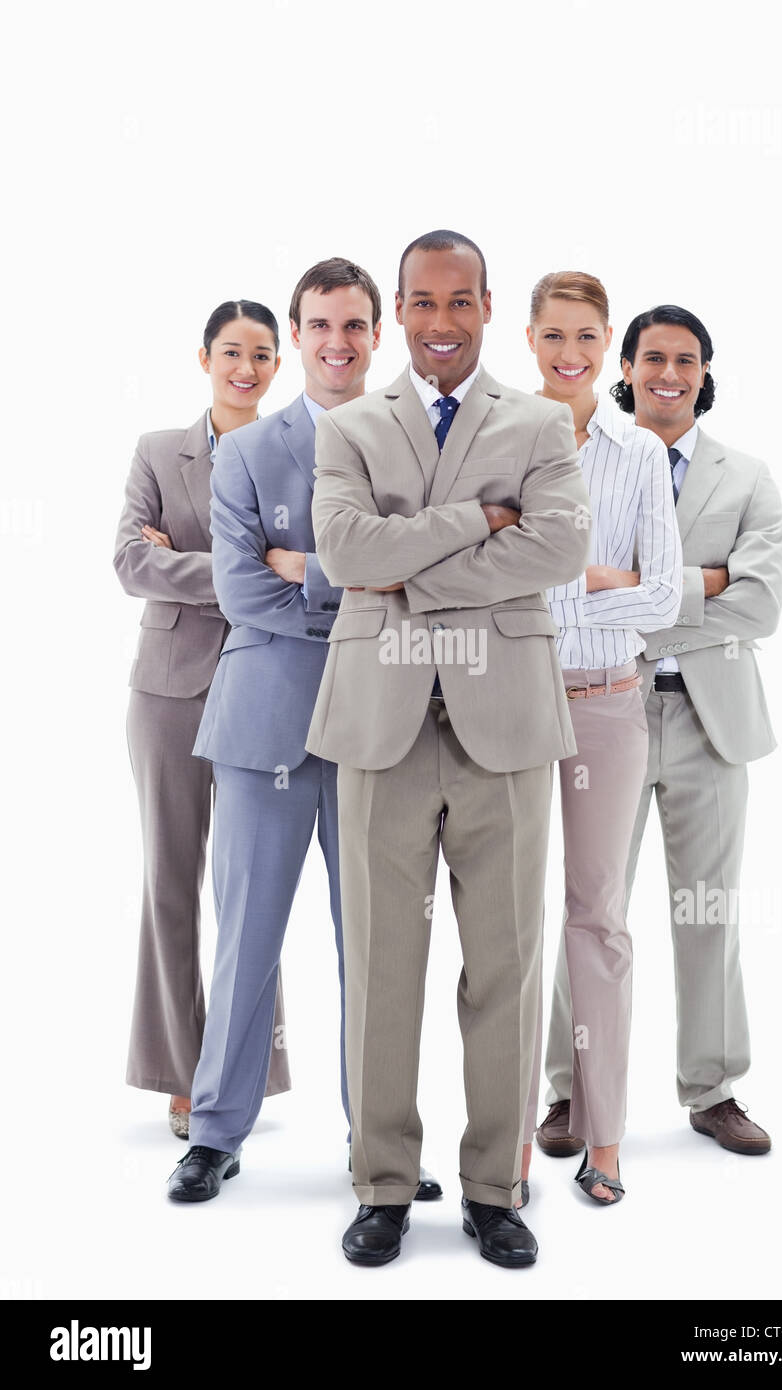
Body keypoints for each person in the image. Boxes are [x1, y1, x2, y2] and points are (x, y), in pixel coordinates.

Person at [306, 229, 592, 1267]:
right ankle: (381, 1183)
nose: (438, 322)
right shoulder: (351, 424)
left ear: (483, 306)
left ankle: (492, 1186)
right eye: (419, 303)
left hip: (505, 724)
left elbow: (557, 546)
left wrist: (408, 567)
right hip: (378, 724)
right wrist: (477, 520)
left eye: (457, 301)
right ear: (398, 309)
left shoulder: (537, 423)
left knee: (505, 965)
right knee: (382, 965)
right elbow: (342, 549)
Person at [167, 259, 442, 1205]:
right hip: (264, 728)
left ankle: (382, 1146)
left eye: (356, 325)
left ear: (380, 334)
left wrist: (312, 571)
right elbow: (240, 589)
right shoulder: (244, 454)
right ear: (297, 334)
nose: (338, 342)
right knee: (247, 935)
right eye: (320, 325)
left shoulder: (414, 447)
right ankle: (214, 1132)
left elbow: (433, 576)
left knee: (377, 946)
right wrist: (361, 579)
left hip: (384, 726)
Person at [537, 304, 782, 1160]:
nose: (668, 374)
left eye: (685, 360)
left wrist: (639, 587)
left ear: (705, 372)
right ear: (628, 368)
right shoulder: (586, 460)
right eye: (652, 359)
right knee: (589, 908)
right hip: (603, 706)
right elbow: (557, 584)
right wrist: (696, 586)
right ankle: (570, 1094)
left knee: (706, 910)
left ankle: (712, 1089)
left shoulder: (747, 477)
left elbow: (763, 603)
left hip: (711, 723)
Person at [522, 273, 682, 1204]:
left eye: (586, 335)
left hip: (609, 701)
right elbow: (483, 582)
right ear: (531, 339)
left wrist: (558, 581)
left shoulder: (641, 455)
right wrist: (592, 575)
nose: (569, 352)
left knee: (599, 917)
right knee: (508, 922)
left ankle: (605, 1134)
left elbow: (661, 597)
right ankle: (508, 1135)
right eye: (553, 335)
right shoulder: (503, 439)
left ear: (607, 341)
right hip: (509, 696)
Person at [115, 300, 288, 1139]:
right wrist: (244, 570)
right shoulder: (158, 452)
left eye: (261, 353)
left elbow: (307, 570)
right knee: (172, 882)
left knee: (255, 887)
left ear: (279, 365)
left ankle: (244, 1067)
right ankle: (184, 1072)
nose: (245, 367)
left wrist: (185, 562)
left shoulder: (292, 452)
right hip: (170, 692)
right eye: (231, 351)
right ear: (204, 357)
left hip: (264, 683)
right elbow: (128, 560)